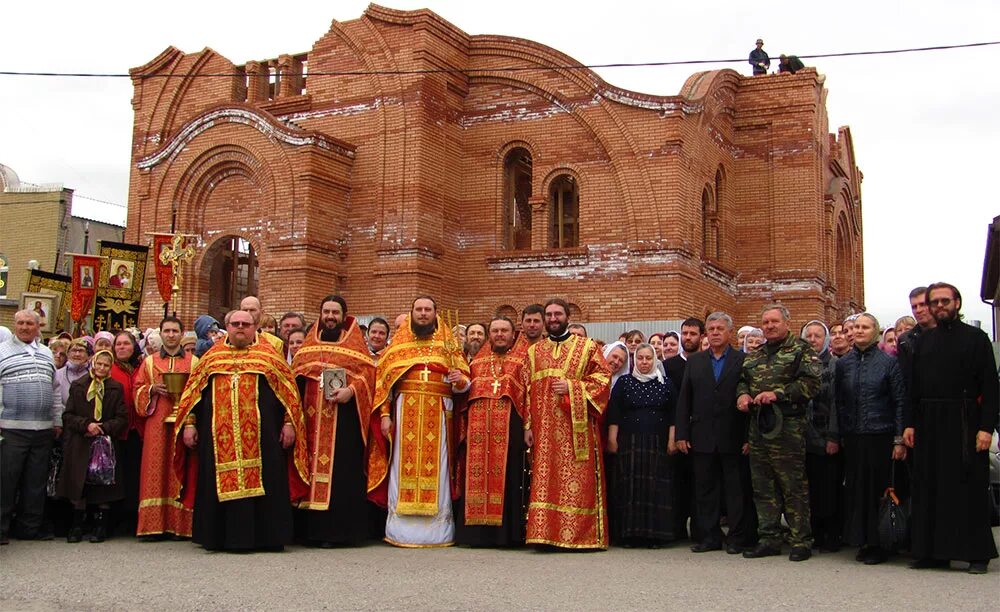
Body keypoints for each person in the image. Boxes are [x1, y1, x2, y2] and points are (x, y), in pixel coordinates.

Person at [174, 310, 309, 552]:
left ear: (255, 326)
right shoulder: (211, 357)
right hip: (217, 438)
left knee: (267, 483)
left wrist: (289, 423)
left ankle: (265, 537)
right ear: (226, 325)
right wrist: (190, 424)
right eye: (235, 323)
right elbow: (192, 396)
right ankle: (218, 537)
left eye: (245, 324)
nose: (240, 328)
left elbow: (289, 395)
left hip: (263, 439)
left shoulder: (269, 357)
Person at [905, 283, 998, 574]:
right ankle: (933, 552)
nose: (940, 306)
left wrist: (986, 428)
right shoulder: (922, 342)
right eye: (935, 302)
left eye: (946, 300)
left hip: (965, 421)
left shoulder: (976, 338)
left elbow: (991, 387)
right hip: (928, 421)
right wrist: (908, 423)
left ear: (957, 303)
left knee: (967, 487)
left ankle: (976, 554)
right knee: (930, 486)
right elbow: (912, 388)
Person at [367, 297, 470, 548]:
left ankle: (438, 532)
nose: (423, 314)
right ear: (411, 313)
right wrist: (385, 416)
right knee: (401, 467)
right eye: (419, 310)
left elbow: (465, 382)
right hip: (405, 414)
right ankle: (400, 532)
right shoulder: (397, 346)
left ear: (436, 314)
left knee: (441, 467)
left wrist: (459, 380)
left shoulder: (449, 344)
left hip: (439, 412)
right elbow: (385, 386)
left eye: (428, 310)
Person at [523, 298, 611, 549]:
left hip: (576, 429)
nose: (552, 318)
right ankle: (544, 534)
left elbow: (604, 379)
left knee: (577, 482)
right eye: (548, 314)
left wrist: (573, 387)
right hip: (543, 430)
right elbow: (527, 391)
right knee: (545, 480)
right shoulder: (533, 351)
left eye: (557, 314)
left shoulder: (587, 347)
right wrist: (527, 426)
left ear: (567, 316)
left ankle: (579, 536)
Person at [737, 303, 822, 562]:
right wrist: (741, 395)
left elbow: (811, 383)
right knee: (763, 485)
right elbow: (743, 379)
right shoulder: (755, 354)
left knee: (792, 485)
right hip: (759, 427)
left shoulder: (801, 350)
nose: (770, 326)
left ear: (787, 322)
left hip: (788, 428)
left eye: (774, 321)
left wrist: (778, 394)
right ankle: (769, 538)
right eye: (765, 323)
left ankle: (800, 540)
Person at [292, 295, 376, 547]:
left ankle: (340, 533)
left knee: (343, 475)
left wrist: (351, 391)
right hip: (310, 423)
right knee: (308, 470)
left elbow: (368, 376)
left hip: (344, 423)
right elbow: (293, 376)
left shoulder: (355, 347)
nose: (330, 317)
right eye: (326, 312)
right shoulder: (307, 347)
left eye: (335, 313)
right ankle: (308, 532)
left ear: (344, 316)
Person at [675, 312, 756, 554]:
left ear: (730, 332)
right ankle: (709, 537)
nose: (715, 332)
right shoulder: (696, 361)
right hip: (702, 437)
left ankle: (737, 538)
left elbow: (749, 400)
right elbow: (684, 400)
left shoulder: (743, 361)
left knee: (736, 491)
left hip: (734, 436)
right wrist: (681, 433)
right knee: (705, 490)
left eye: (720, 328)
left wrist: (749, 437)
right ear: (705, 334)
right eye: (711, 329)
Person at [833, 313, 906, 565]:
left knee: (878, 490)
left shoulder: (888, 363)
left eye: (865, 327)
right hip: (853, 436)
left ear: (875, 332)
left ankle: (880, 543)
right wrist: (839, 433)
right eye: (856, 327)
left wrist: (898, 439)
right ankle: (862, 540)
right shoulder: (843, 364)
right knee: (856, 490)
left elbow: (898, 402)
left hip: (880, 435)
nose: (860, 331)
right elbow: (838, 402)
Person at [454, 316, 528, 547]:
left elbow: (529, 396)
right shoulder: (476, 363)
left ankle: (507, 536)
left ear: (512, 334)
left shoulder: (522, 361)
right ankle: (475, 535)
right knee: (475, 478)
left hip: (510, 431)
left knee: (509, 478)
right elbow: (464, 393)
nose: (499, 335)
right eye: (495, 331)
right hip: (478, 432)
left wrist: (528, 427)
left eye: (504, 330)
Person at [0, 310, 62, 544]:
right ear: (14, 325)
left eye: (29, 323)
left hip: (43, 429)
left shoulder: (46, 353)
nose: (24, 327)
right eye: (20, 323)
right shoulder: (2, 351)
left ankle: (29, 528)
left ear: (38, 327)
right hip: (10, 427)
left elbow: (55, 389)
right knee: (6, 480)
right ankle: (1, 528)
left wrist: (57, 420)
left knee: (36, 481)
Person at [133, 316, 197, 539]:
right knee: (155, 467)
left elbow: (199, 394)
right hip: (157, 419)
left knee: (182, 468)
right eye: (167, 331)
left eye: (175, 331)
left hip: (184, 419)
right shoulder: (149, 362)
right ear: (160, 334)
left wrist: (192, 422)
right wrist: (151, 390)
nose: (171, 335)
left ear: (182, 334)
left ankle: (181, 525)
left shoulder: (193, 361)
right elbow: (137, 390)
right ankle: (153, 525)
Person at [607, 343, 675, 548]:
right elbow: (615, 414)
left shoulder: (666, 383)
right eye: (640, 358)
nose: (644, 362)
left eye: (648, 358)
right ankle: (629, 535)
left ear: (655, 360)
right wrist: (612, 439)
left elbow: (673, 414)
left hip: (657, 443)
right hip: (630, 443)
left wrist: (672, 440)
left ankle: (654, 536)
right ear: (634, 360)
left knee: (655, 488)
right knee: (630, 488)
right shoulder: (624, 383)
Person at [56, 350, 127, 543]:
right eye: (99, 364)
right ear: (92, 364)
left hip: (105, 441)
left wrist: (104, 427)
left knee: (103, 485)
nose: (102, 368)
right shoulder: (79, 386)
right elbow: (68, 415)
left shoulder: (115, 388)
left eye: (106, 365)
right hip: (82, 440)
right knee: (80, 484)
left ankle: (100, 526)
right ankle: (77, 525)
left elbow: (121, 417)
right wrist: (86, 425)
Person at [800, 320, 842, 553]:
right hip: (802, 438)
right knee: (809, 488)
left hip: (825, 435)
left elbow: (837, 403)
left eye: (818, 336)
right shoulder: (799, 364)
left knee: (828, 487)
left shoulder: (834, 365)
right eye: (809, 336)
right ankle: (813, 532)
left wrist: (834, 436)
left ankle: (831, 534)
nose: (813, 340)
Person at [663, 317, 704, 541]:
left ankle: (700, 530)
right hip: (676, 432)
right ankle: (676, 529)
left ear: (701, 336)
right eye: (685, 334)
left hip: (701, 431)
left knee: (701, 484)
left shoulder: (705, 362)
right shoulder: (669, 366)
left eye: (693, 334)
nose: (688, 338)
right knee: (676, 482)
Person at [109, 330, 142, 535]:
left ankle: (133, 518)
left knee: (134, 475)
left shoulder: (141, 368)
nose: (122, 347)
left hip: (137, 430)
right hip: (115, 431)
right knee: (115, 476)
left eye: (126, 344)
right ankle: (113, 518)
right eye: (118, 344)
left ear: (133, 347)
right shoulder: (109, 368)